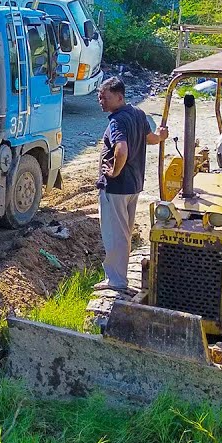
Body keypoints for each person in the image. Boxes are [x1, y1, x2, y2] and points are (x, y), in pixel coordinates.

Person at [95, 77, 168, 289]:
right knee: (124, 233)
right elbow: (151, 139)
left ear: (119, 97)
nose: (101, 101)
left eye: (105, 98)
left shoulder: (117, 121)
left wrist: (114, 172)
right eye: (100, 97)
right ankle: (119, 276)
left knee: (114, 234)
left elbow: (122, 150)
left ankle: (116, 280)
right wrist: (161, 136)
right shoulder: (138, 114)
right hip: (134, 186)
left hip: (116, 188)